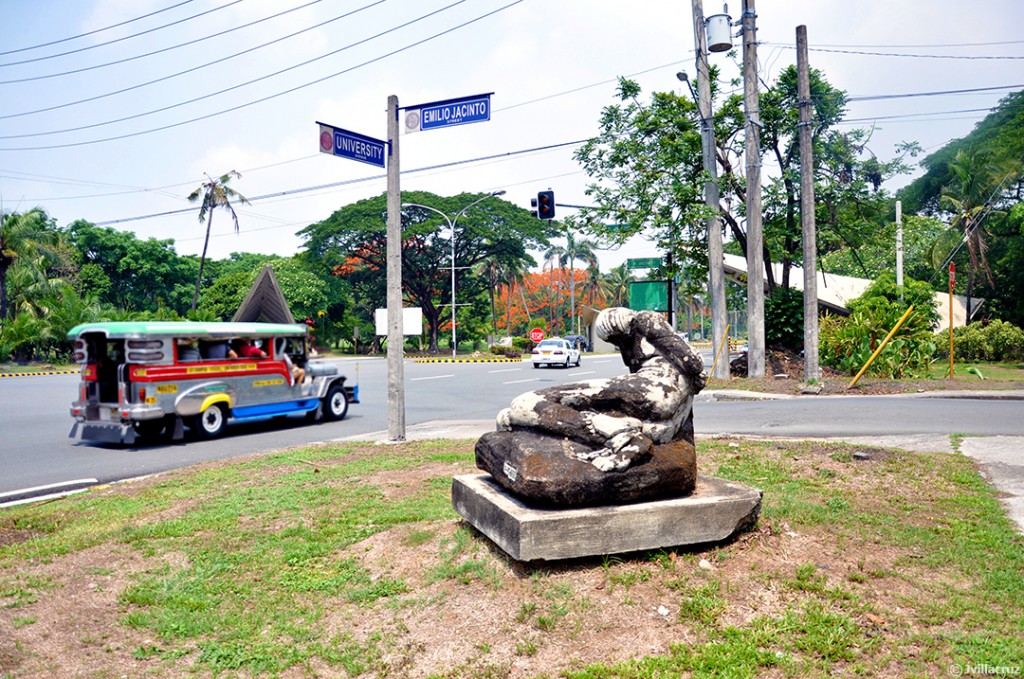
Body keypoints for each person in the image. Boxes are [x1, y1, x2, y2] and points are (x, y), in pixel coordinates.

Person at [495, 307, 706, 472]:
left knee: (528, 402)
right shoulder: (632, 342)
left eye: (617, 338)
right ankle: (617, 427)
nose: (619, 344)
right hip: (659, 399)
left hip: (656, 388)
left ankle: (618, 432)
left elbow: (693, 362)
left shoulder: (645, 320)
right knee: (523, 409)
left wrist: (694, 380)